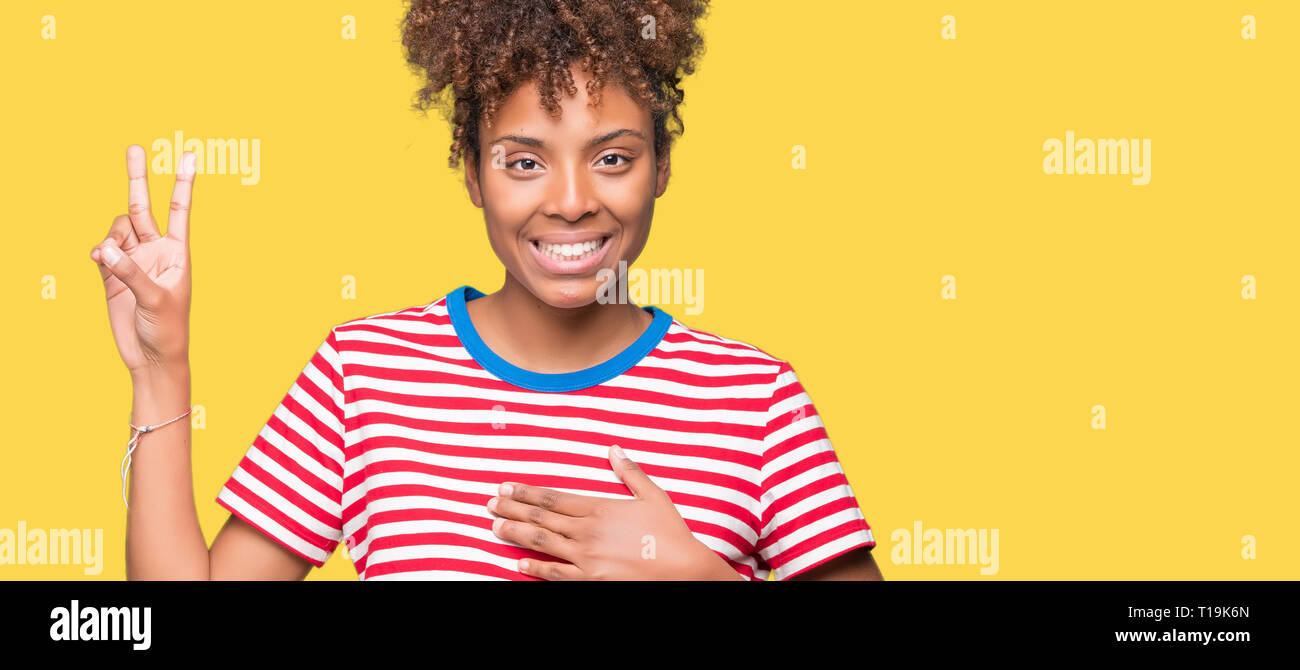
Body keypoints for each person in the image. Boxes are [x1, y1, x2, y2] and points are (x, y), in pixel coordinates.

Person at [90, 0, 882, 581]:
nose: (571, 199)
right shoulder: (361, 374)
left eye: (612, 157)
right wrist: (161, 372)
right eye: (524, 161)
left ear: (661, 168)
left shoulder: (758, 400)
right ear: (472, 174)